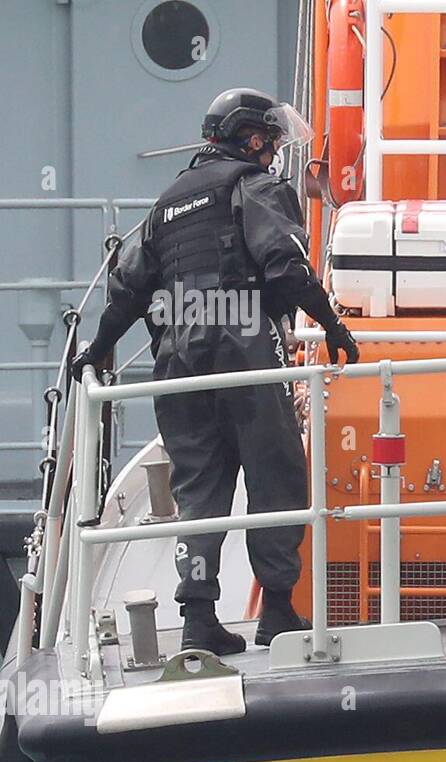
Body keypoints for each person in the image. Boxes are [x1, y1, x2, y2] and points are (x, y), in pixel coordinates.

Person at [70, 88, 361, 655]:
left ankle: (200, 616)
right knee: (275, 475)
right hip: (245, 353)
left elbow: (126, 293)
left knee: (199, 487)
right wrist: (332, 326)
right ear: (252, 140)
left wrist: (97, 349)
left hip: (178, 365)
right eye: (271, 141)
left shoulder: (166, 205)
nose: (275, 152)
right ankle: (277, 610)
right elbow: (285, 269)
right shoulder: (255, 187)